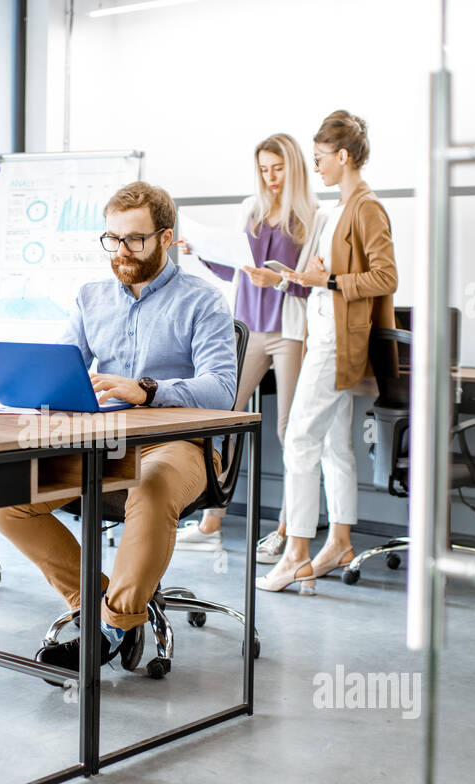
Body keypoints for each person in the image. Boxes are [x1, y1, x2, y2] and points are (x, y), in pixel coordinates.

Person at [0, 181, 237, 674]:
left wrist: (147, 390)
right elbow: (67, 367)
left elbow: (222, 388)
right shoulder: (90, 297)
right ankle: (94, 601)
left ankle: (111, 629)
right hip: (104, 439)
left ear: (166, 238)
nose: (121, 251)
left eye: (135, 240)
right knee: (7, 500)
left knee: (151, 483)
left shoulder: (203, 301)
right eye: (112, 239)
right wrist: (39, 387)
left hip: (178, 442)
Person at [255, 111, 397, 594]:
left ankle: (296, 551)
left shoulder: (366, 207)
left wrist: (328, 280)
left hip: (338, 343)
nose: (315, 167)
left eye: (319, 159)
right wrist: (289, 277)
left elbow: (385, 277)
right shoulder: (335, 210)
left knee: (298, 440)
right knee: (335, 446)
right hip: (323, 333)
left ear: (343, 156)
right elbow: (320, 282)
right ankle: (338, 542)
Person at [174, 133, 316, 561]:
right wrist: (198, 253)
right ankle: (211, 522)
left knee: (289, 430)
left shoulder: (311, 217)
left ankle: (288, 531)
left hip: (290, 331)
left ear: (292, 167)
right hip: (250, 328)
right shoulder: (250, 210)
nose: (271, 177)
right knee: (223, 415)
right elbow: (236, 265)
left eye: (278, 168)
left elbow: (312, 284)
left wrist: (283, 280)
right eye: (264, 169)